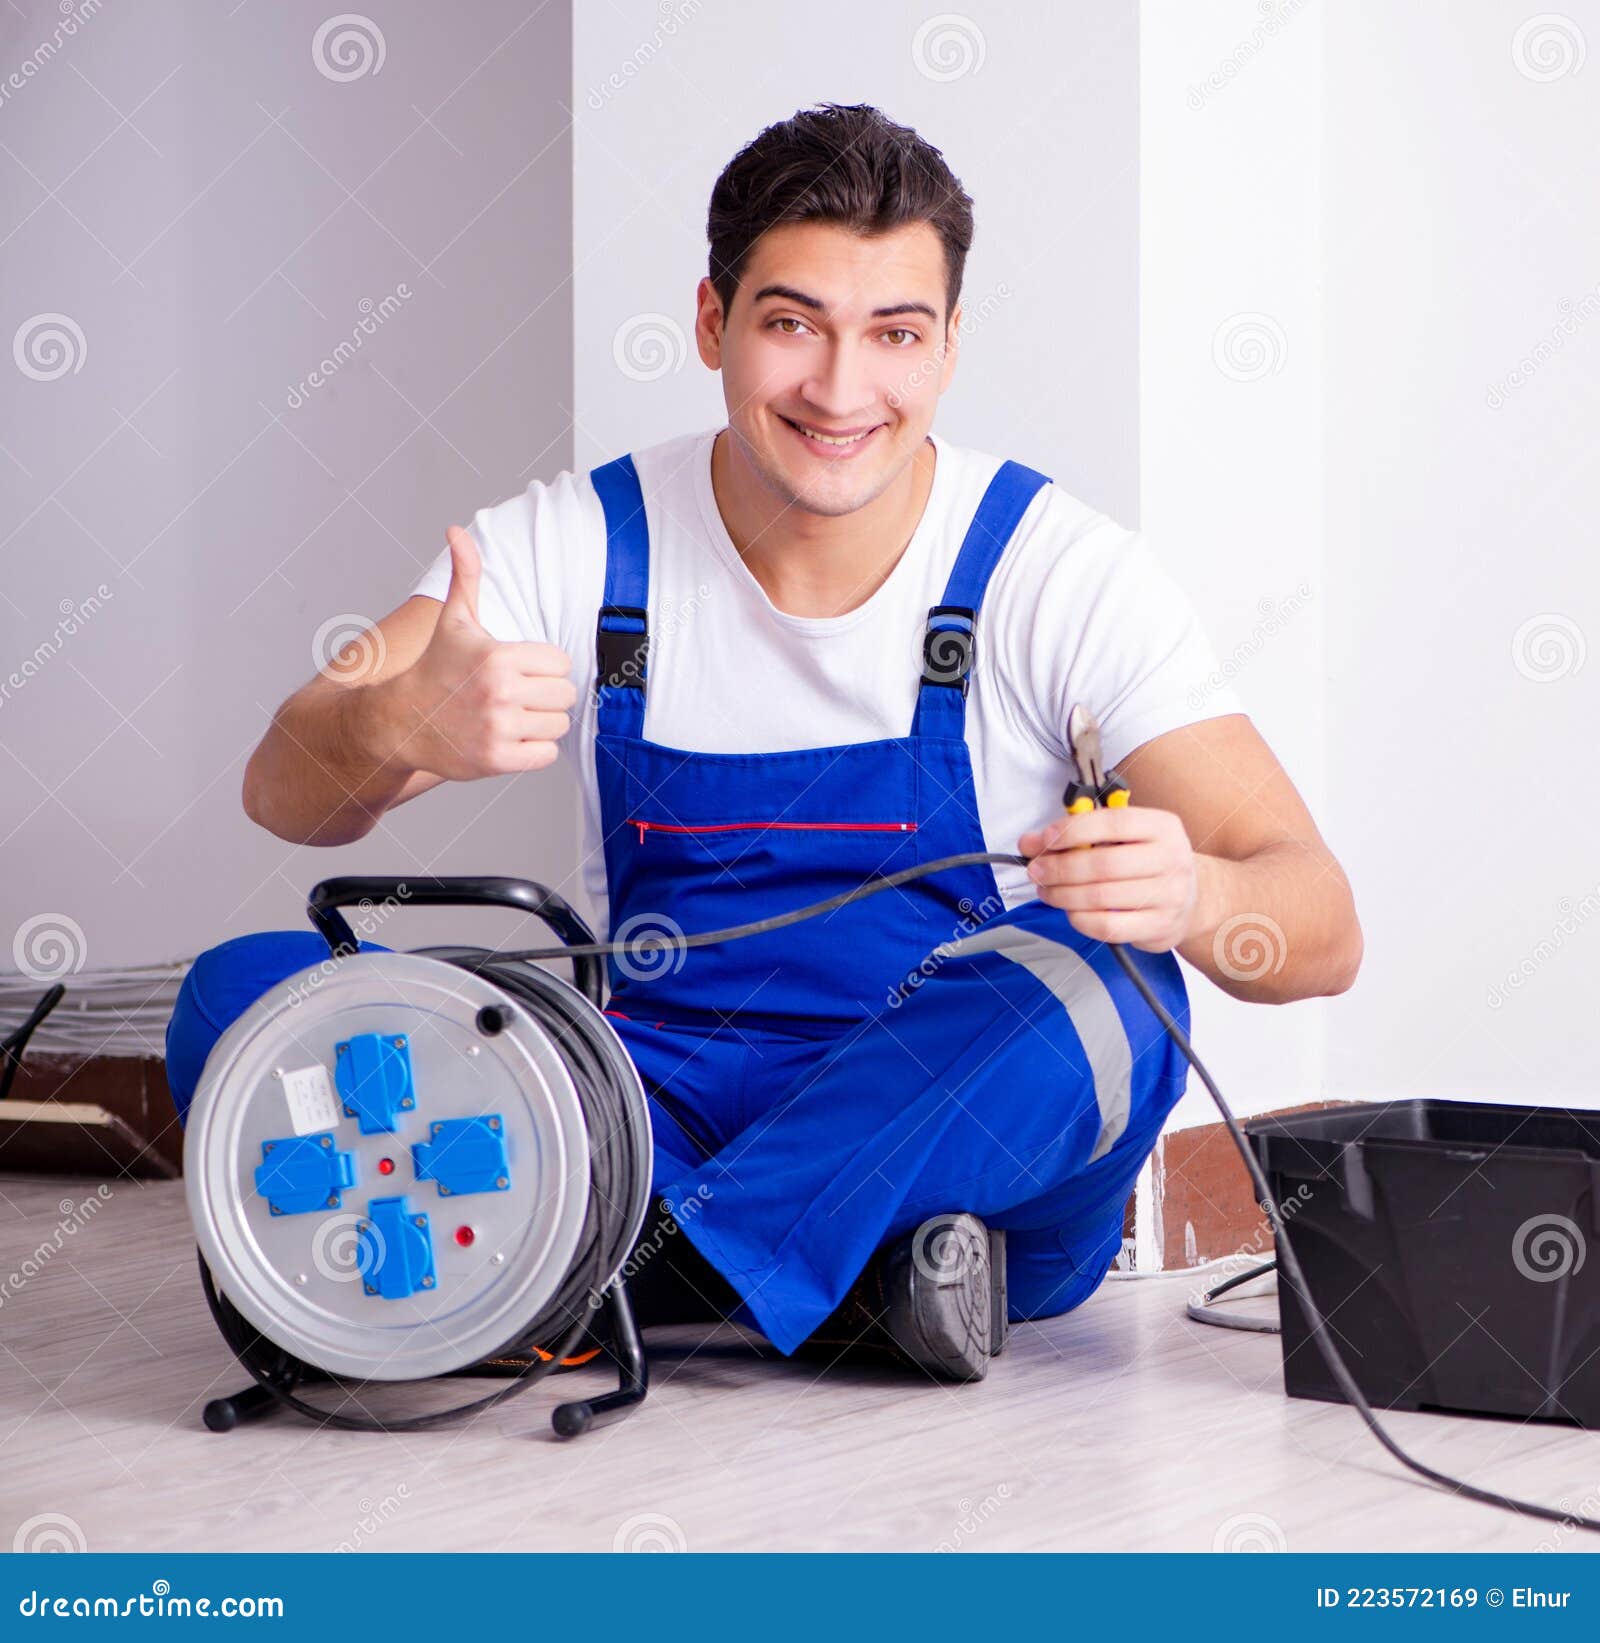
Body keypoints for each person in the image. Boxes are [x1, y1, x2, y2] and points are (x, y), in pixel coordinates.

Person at [168, 103, 1362, 1383]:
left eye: (893, 334)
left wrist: (1193, 891)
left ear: (948, 347)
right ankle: (851, 1286)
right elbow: (282, 788)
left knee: (1114, 986)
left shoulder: (1055, 570)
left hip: (951, 1116)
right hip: (649, 1105)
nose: (841, 390)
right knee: (246, 990)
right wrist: (392, 720)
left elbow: (1320, 928)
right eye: (792, 323)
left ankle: (592, 1280)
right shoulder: (572, 542)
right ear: (710, 322)